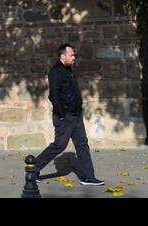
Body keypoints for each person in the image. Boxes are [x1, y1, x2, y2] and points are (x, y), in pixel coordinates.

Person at [31, 43, 104, 187]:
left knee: (82, 144)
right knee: (59, 145)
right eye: (71, 55)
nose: (74, 57)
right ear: (62, 56)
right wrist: (62, 113)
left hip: (76, 116)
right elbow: (54, 95)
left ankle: (88, 177)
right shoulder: (56, 72)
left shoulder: (69, 70)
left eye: (74, 55)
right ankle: (33, 169)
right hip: (65, 117)